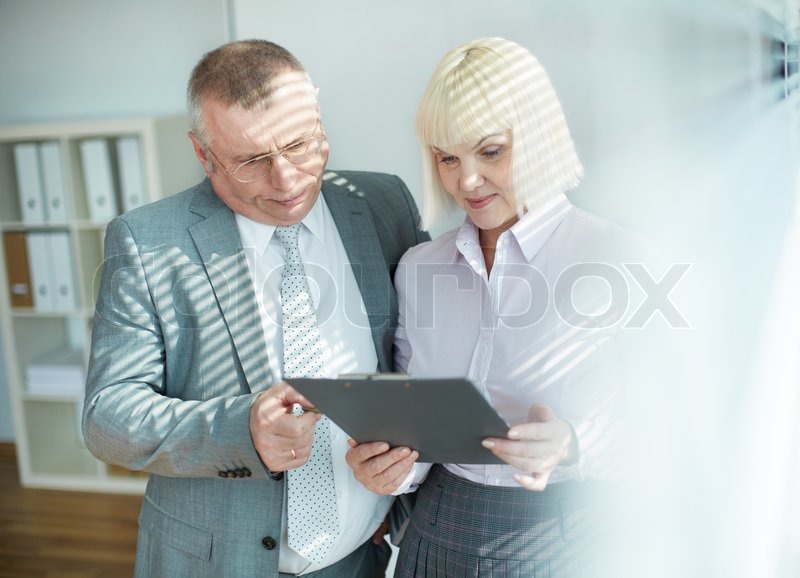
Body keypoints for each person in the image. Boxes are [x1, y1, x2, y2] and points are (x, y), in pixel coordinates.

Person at [82, 39, 428, 578]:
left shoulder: (385, 205)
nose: (287, 180)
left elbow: (419, 360)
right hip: (217, 565)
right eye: (251, 162)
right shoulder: (146, 241)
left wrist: (407, 462)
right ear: (203, 153)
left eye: (300, 145)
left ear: (317, 115)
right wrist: (242, 428)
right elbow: (107, 417)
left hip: (363, 558)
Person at [346, 37, 635, 577]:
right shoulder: (418, 268)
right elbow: (418, 425)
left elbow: (678, 432)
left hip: (567, 534)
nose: (466, 181)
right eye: (447, 158)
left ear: (540, 137)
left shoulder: (616, 258)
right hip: (437, 528)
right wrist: (391, 467)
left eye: (491, 151)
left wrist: (574, 443)